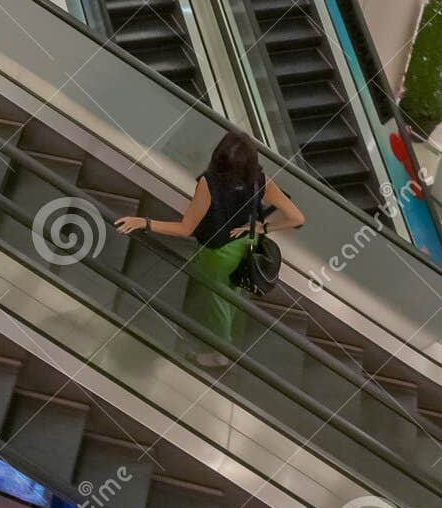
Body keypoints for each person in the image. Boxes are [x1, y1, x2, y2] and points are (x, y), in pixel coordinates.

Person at [115, 130, 304, 365]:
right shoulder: (260, 179)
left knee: (218, 300)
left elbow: (185, 228)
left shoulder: (209, 183)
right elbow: (297, 218)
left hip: (218, 252)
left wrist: (144, 222)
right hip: (246, 244)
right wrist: (262, 228)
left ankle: (221, 354)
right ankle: (225, 326)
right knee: (233, 289)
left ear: (218, 158)